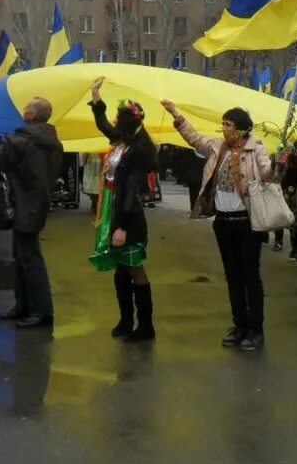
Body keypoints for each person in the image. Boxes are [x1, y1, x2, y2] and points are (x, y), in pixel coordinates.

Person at [166, 99, 275, 352]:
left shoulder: (255, 148)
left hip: (247, 224)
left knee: (250, 276)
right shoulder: (218, 147)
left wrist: (279, 163)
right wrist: (175, 114)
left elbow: (268, 174)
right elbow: (194, 138)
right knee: (232, 276)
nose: (223, 129)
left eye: (228, 124)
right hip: (223, 222)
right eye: (223, 124)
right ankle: (239, 324)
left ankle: (255, 329)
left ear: (241, 129)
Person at [0, 97, 64, 329]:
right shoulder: (52, 141)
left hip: (27, 204)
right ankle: (23, 306)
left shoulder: (23, 141)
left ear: (30, 116)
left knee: (30, 259)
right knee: (22, 256)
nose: (22, 110)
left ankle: (40, 312)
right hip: (36, 203)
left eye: (26, 107)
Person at [88, 78, 159, 343]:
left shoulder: (139, 150)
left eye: (119, 118)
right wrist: (96, 98)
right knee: (121, 269)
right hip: (114, 210)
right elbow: (103, 125)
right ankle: (126, 320)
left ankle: (146, 326)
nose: (115, 122)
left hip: (127, 216)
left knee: (134, 267)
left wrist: (122, 227)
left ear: (128, 122)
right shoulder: (124, 141)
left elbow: (132, 190)